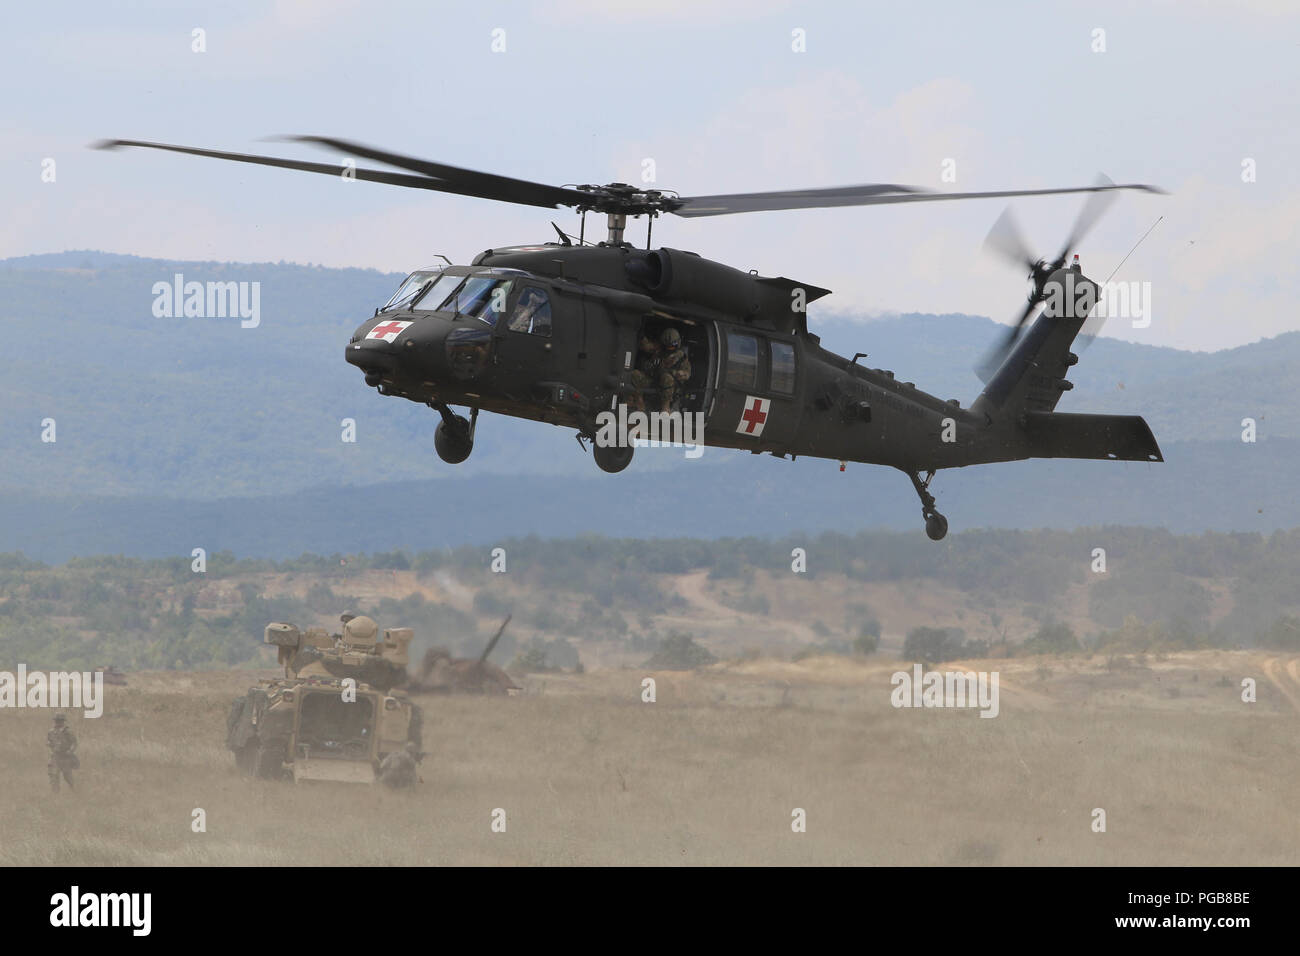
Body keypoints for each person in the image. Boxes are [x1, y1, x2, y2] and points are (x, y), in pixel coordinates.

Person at [630, 327, 692, 413]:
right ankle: (639, 403)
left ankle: (665, 409)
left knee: (666, 377)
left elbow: (687, 373)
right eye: (667, 347)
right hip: (653, 380)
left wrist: (681, 374)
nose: (669, 349)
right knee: (635, 374)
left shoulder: (681, 357)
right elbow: (647, 346)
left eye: (672, 347)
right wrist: (642, 337)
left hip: (669, 387)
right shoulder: (659, 349)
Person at [47, 713, 78, 793]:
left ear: (63, 721)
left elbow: (74, 743)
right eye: (57, 721)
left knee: (67, 776)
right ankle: (55, 794)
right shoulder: (51, 732)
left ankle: (74, 790)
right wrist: (50, 745)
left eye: (60, 721)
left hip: (65, 757)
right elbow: (49, 741)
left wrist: (70, 751)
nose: (58, 722)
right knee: (53, 775)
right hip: (55, 756)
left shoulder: (68, 732)